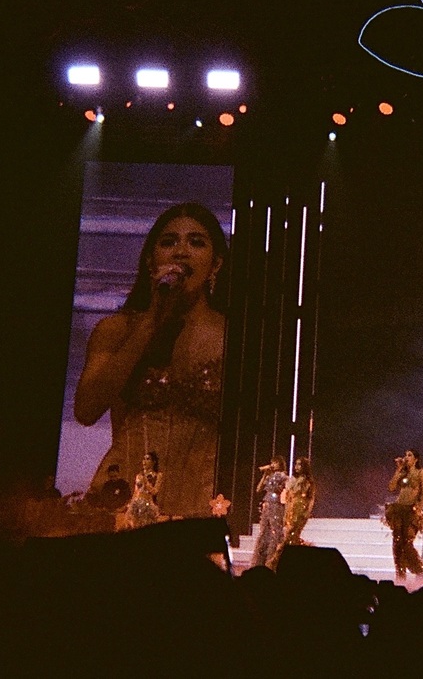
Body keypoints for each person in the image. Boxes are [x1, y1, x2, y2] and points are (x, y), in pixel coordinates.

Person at [74, 202, 228, 520]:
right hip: (124, 503)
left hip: (198, 508)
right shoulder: (118, 330)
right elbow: (87, 409)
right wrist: (149, 322)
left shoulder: (235, 338)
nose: (181, 252)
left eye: (196, 242)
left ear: (215, 265)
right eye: (168, 242)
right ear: (150, 262)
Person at [385, 449, 423, 580]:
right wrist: (398, 470)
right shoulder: (403, 472)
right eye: (405, 455)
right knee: (397, 542)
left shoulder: (421, 472)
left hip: (411, 511)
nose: (406, 457)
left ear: (416, 459)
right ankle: (400, 573)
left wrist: (418, 509)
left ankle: (419, 570)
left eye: (409, 455)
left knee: (407, 542)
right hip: (399, 509)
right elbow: (391, 487)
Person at [272, 456, 316, 566]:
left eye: (299, 464)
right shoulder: (293, 481)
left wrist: (307, 512)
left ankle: (277, 561)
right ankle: (291, 562)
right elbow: (288, 498)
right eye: (295, 464)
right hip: (291, 511)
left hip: (300, 512)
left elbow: (311, 499)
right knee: (290, 537)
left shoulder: (308, 482)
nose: (296, 467)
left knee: (290, 536)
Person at [251, 456, 288, 569]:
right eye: (272, 462)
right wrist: (264, 475)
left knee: (275, 532)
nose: (273, 465)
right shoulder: (269, 476)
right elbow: (258, 489)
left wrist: (274, 483)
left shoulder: (283, 476)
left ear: (280, 464)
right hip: (266, 505)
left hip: (276, 506)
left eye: (275, 463)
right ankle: (261, 560)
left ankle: (272, 560)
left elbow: (280, 490)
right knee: (264, 531)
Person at [121, 451, 163, 530]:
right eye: (144, 459)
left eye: (147, 459)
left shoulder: (158, 475)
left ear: (153, 462)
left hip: (148, 505)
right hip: (137, 504)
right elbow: (136, 492)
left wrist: (146, 482)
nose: (144, 461)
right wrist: (130, 505)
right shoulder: (139, 475)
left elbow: (155, 491)